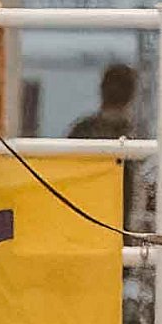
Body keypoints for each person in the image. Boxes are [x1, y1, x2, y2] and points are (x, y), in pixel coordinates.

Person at [69, 62, 139, 226]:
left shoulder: (83, 130)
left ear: (101, 89)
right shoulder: (138, 137)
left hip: (85, 216)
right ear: (132, 94)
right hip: (118, 223)